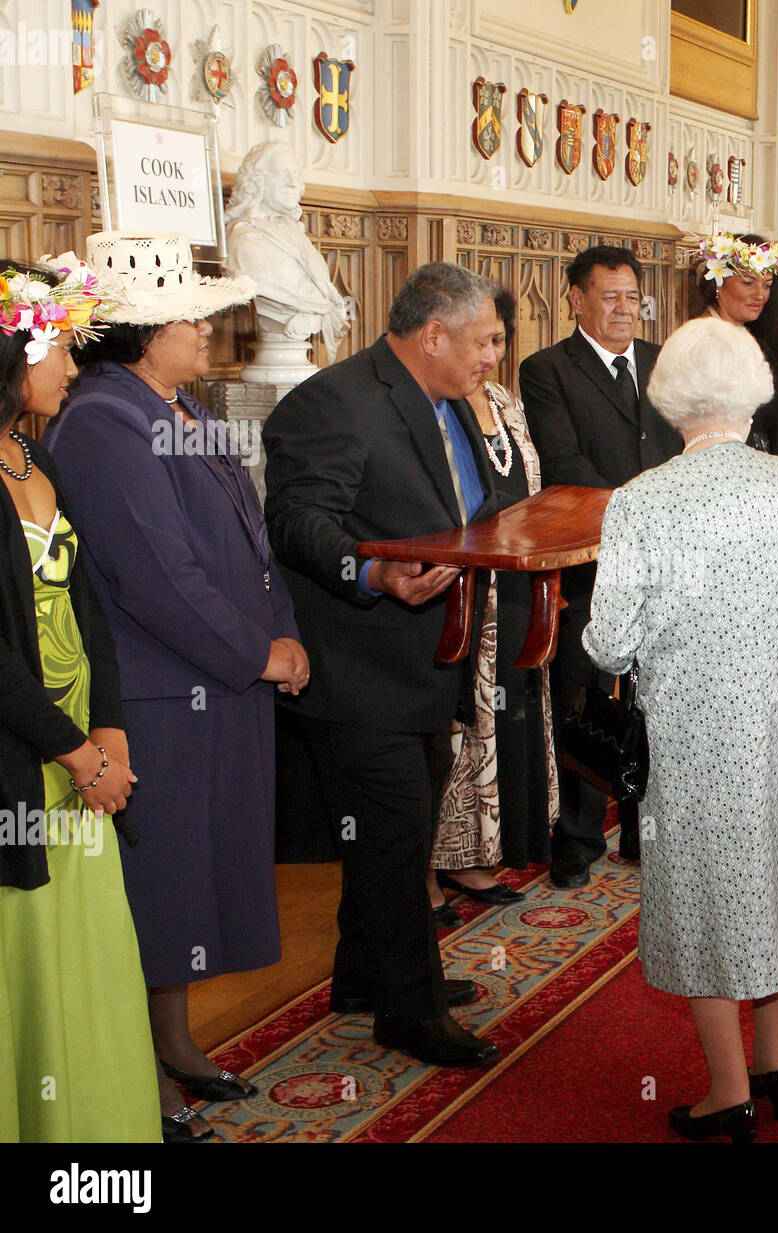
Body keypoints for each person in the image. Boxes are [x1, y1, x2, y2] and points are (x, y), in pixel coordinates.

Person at [45, 232, 306, 1142]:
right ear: (142, 331)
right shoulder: (103, 420)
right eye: (189, 314)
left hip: (221, 683)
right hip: (168, 696)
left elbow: (246, 539)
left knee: (198, 881)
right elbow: (157, 575)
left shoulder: (180, 404)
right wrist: (254, 653)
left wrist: (285, 635)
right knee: (159, 887)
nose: (207, 326)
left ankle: (178, 1043)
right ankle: (145, 1076)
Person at [582, 316, 778, 1143]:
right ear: (754, 391)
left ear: (669, 402)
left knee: (708, 902)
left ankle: (728, 1091)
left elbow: (608, 641)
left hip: (696, 738)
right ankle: (774, 1061)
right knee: (777, 882)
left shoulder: (641, 501)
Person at [263, 262, 502, 1069]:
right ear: (432, 335)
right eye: (479, 343)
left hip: (424, 666)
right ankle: (411, 1008)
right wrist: (370, 574)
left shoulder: (445, 401)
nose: (490, 359)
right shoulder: (333, 401)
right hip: (357, 670)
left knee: (393, 834)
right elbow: (296, 520)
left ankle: (364, 976)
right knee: (398, 839)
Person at [0, 256, 159, 1143]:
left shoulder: (31, 451)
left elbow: (84, 599)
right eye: (58, 348)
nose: (70, 367)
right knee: (24, 976)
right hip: (22, 769)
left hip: (79, 766)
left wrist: (111, 728)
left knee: (87, 967)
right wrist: (76, 751)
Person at [520, 246, 679, 889]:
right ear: (576, 300)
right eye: (608, 297)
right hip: (593, 562)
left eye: (631, 296)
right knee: (584, 696)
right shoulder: (546, 371)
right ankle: (577, 838)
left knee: (658, 696)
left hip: (670, 561)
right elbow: (563, 466)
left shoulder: (665, 362)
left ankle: (648, 828)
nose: (623, 310)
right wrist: (639, 522)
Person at [427, 288, 555, 918]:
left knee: (506, 718)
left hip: (517, 583)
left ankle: (480, 858)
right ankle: (434, 864)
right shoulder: (436, 405)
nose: (491, 355)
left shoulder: (504, 400)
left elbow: (530, 485)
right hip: (460, 588)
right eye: (481, 342)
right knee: (460, 727)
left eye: (499, 341)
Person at [690, 230, 778, 463]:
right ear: (718, 281)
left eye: (767, 285)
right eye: (748, 282)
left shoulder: (760, 340)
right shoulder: (698, 340)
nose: (760, 295)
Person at [226, 140, 353, 362]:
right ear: (258, 182)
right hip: (275, 358)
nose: (293, 182)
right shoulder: (245, 240)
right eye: (282, 173)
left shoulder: (297, 236)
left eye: (296, 173)